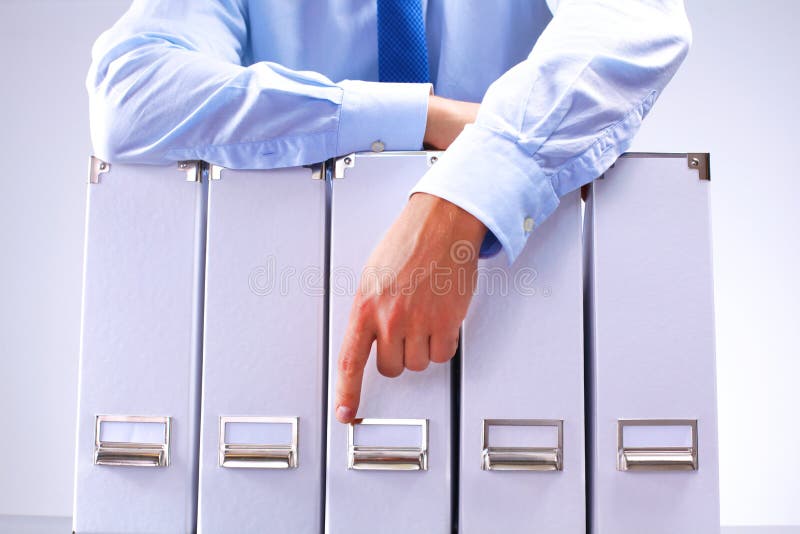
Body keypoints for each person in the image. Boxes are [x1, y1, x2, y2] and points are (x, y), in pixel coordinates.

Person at [87, 0, 692, 423]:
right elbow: (131, 91)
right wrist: (420, 118)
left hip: (529, 330)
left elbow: (637, 26)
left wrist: (462, 202)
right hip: (286, 350)